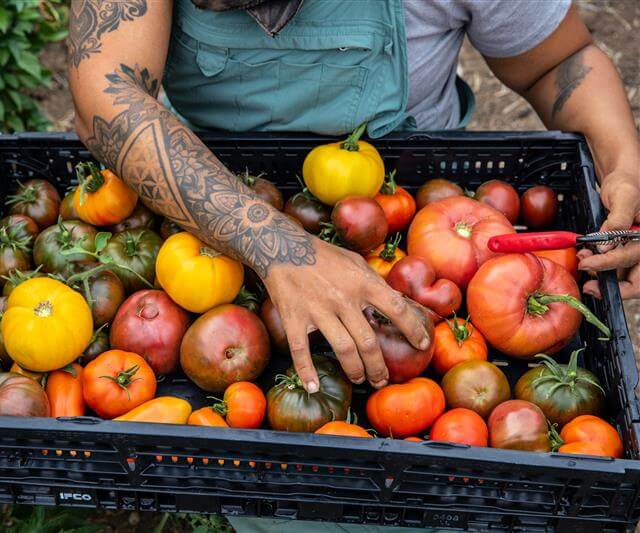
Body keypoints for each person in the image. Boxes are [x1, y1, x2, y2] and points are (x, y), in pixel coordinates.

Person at [67, 0, 640, 395]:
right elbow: (107, 99)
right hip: (207, 193)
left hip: (417, 212)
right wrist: (279, 248)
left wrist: (624, 165)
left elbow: (558, 62)